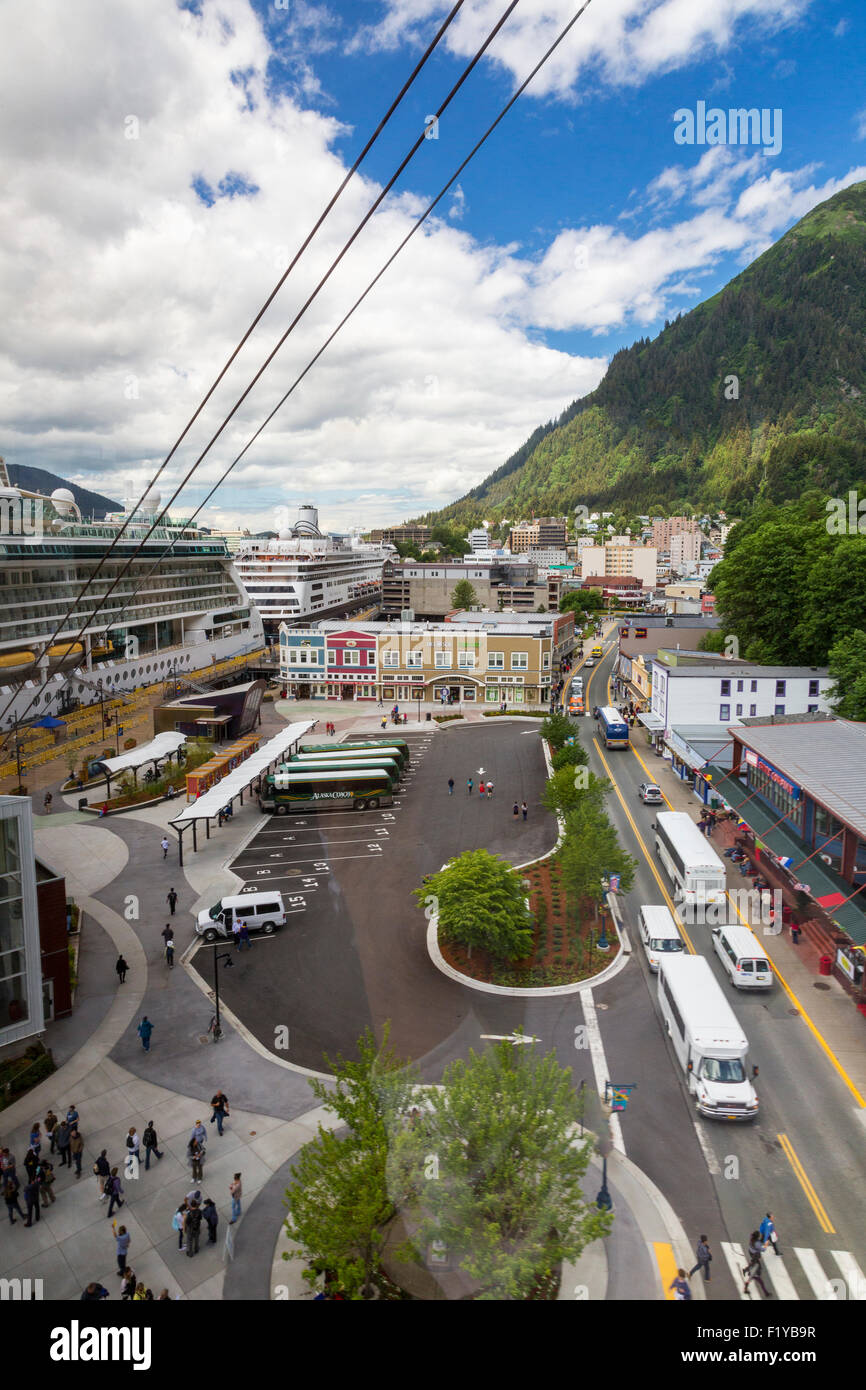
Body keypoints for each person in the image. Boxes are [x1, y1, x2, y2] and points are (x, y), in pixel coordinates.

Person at [742, 1231, 771, 1296]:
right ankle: (766, 1293)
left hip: (752, 1255)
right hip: (754, 1269)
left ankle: (746, 1287)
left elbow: (751, 1263)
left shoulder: (751, 1240)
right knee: (760, 1281)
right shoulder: (757, 1244)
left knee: (751, 1277)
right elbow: (763, 1249)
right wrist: (766, 1244)